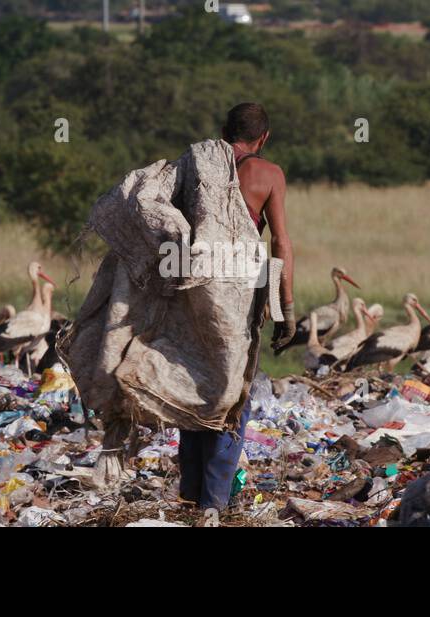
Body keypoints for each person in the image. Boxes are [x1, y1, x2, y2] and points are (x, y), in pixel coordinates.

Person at [178, 102, 296, 511]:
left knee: (196, 387)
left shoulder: (194, 164)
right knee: (233, 397)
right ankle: (214, 506)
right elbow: (279, 242)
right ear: (263, 138)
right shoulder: (268, 174)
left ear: (224, 131)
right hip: (237, 295)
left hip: (190, 289)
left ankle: (191, 497)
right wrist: (286, 309)